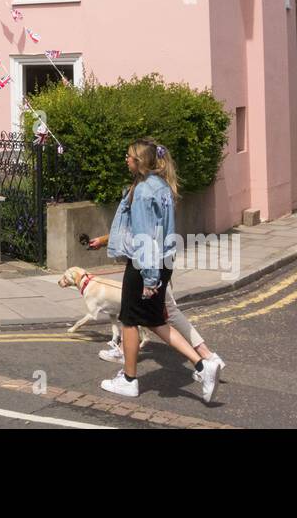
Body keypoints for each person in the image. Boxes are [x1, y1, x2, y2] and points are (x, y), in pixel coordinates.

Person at [92, 138, 222, 404]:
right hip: (161, 262)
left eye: (129, 156)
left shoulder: (143, 192)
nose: (126, 159)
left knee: (129, 320)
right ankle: (202, 365)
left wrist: (149, 277)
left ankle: (129, 380)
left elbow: (145, 237)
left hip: (144, 265)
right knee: (154, 320)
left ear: (139, 161)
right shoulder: (161, 186)